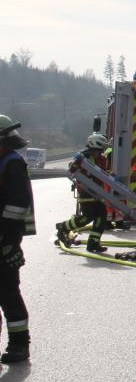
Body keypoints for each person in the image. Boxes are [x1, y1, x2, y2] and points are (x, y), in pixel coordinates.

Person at [0, 115, 35, 363]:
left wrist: (7, 241)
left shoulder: (12, 164)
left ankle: (19, 344)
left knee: (8, 293)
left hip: (5, 240)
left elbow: (17, 207)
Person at [56, 134, 111, 252]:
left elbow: (104, 173)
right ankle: (63, 227)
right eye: (102, 146)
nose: (102, 149)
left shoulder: (102, 159)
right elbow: (71, 171)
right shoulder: (81, 157)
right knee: (87, 217)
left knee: (102, 216)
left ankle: (93, 244)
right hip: (86, 192)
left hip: (98, 192)